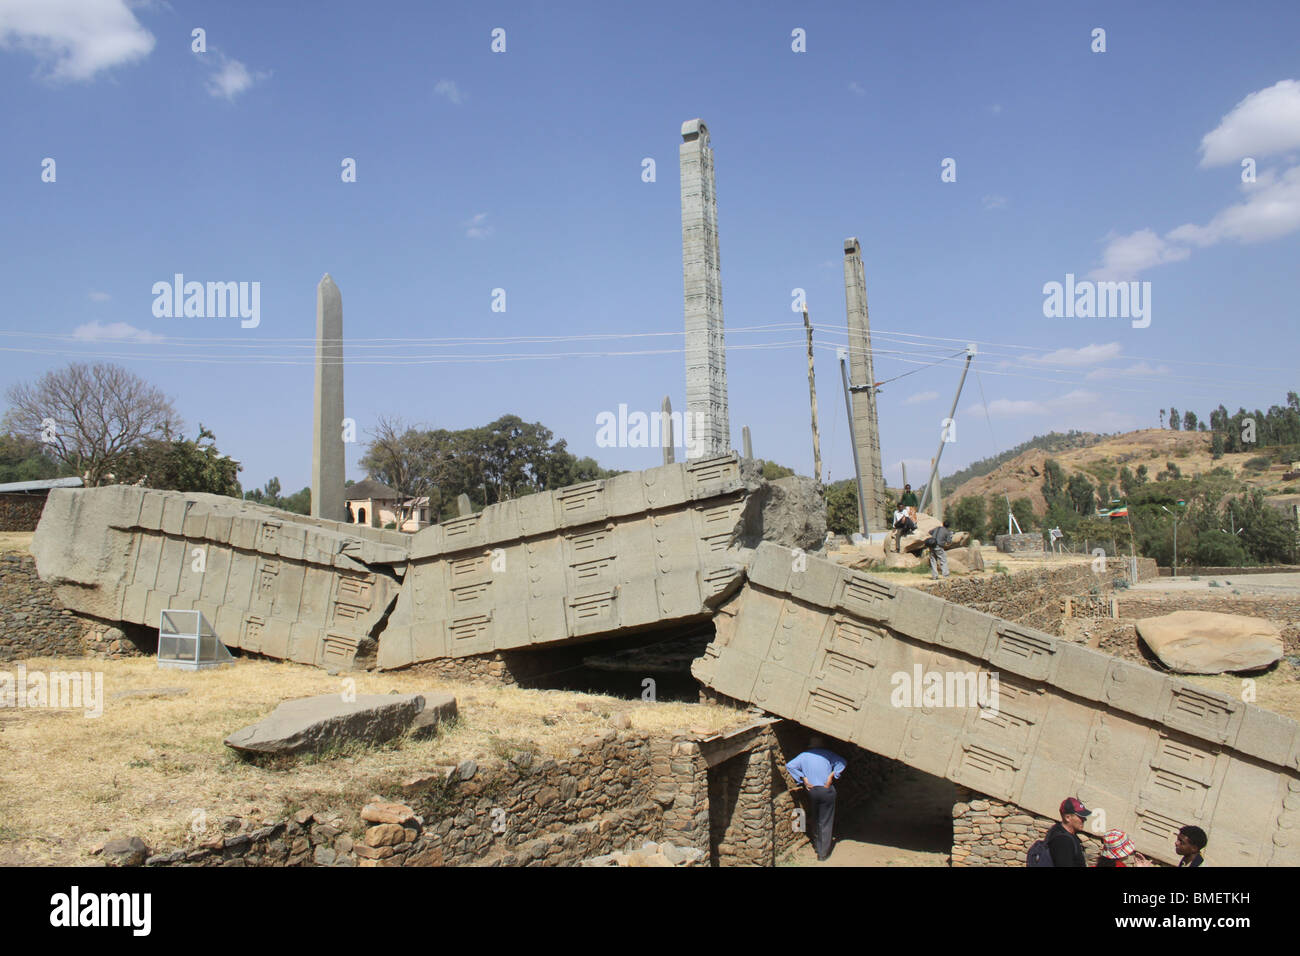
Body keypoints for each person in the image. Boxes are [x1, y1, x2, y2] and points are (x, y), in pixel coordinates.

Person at [785, 736, 846, 862]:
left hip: (813, 791)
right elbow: (842, 762)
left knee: (817, 819)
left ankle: (818, 848)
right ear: (822, 745)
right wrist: (832, 775)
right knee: (826, 821)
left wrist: (803, 778)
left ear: (810, 745)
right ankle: (823, 854)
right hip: (826, 790)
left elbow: (790, 766)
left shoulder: (804, 755)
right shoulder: (828, 754)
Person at [1044, 797, 1090, 866]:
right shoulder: (1063, 840)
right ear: (1067, 817)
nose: (1084, 819)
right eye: (1081, 816)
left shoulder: (1063, 832)